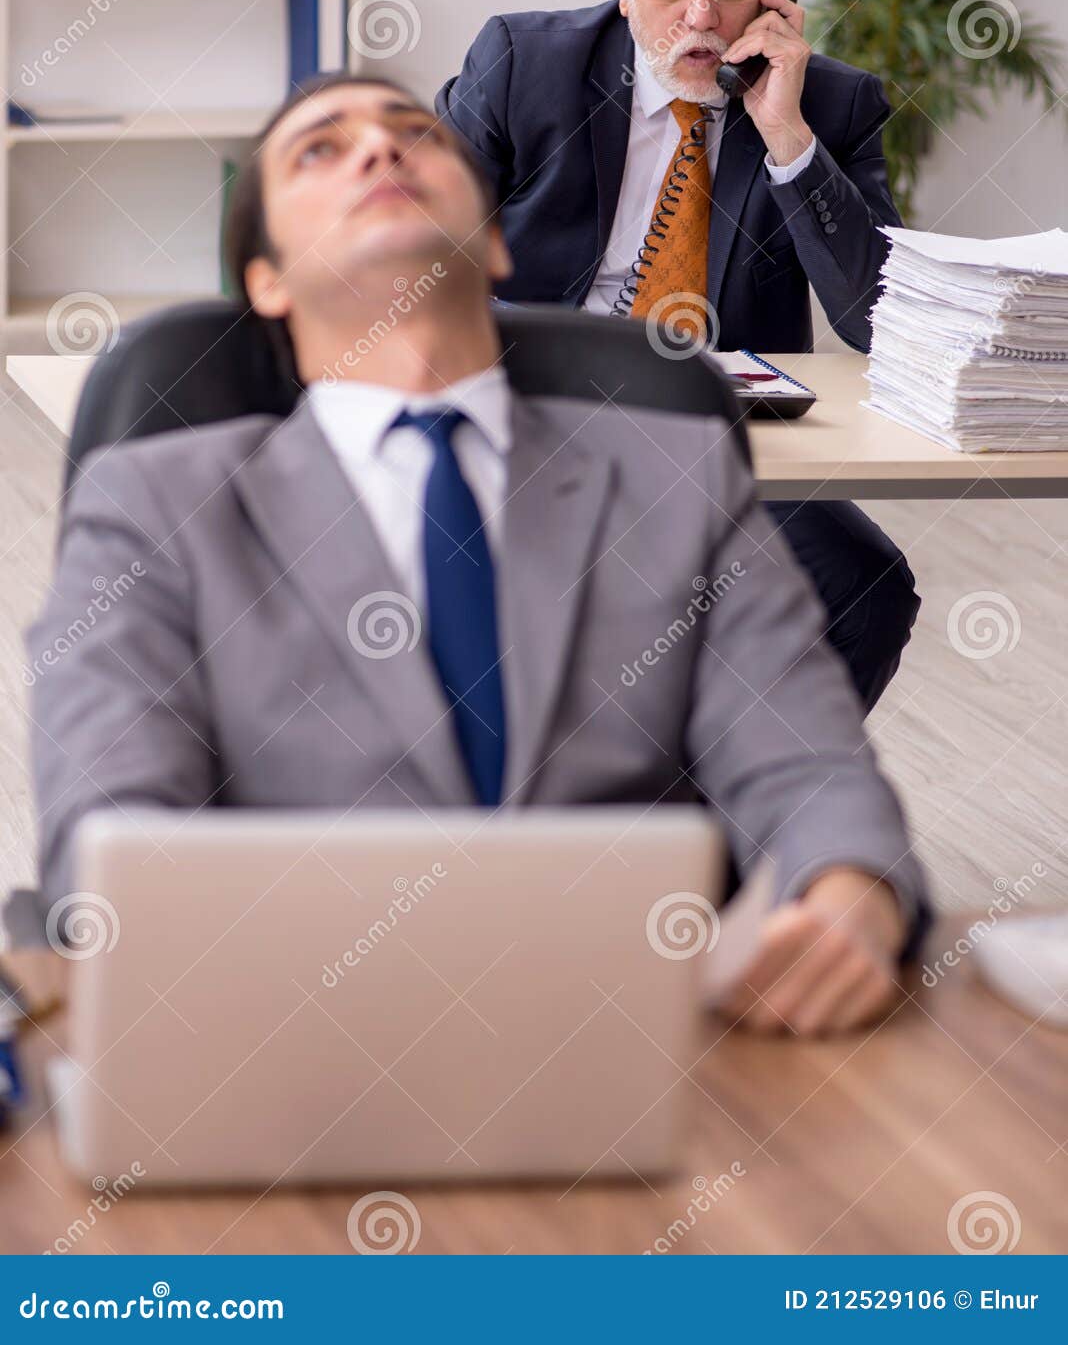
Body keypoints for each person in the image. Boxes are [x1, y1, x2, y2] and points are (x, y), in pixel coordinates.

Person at [28, 74, 928, 1036]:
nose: (380, 150)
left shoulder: (676, 474)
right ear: (267, 281)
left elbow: (809, 766)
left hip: (636, 1051)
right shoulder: (159, 502)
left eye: (416, 135)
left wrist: (850, 899)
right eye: (321, 149)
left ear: (494, 243)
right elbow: (112, 829)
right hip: (285, 1048)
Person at [436, 0, 919, 713]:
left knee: (867, 588)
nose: (700, 14)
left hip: (718, 444)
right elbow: (424, 264)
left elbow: (878, 320)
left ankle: (708, 828)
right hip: (533, 420)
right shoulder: (523, 66)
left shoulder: (830, 108)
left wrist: (787, 141)